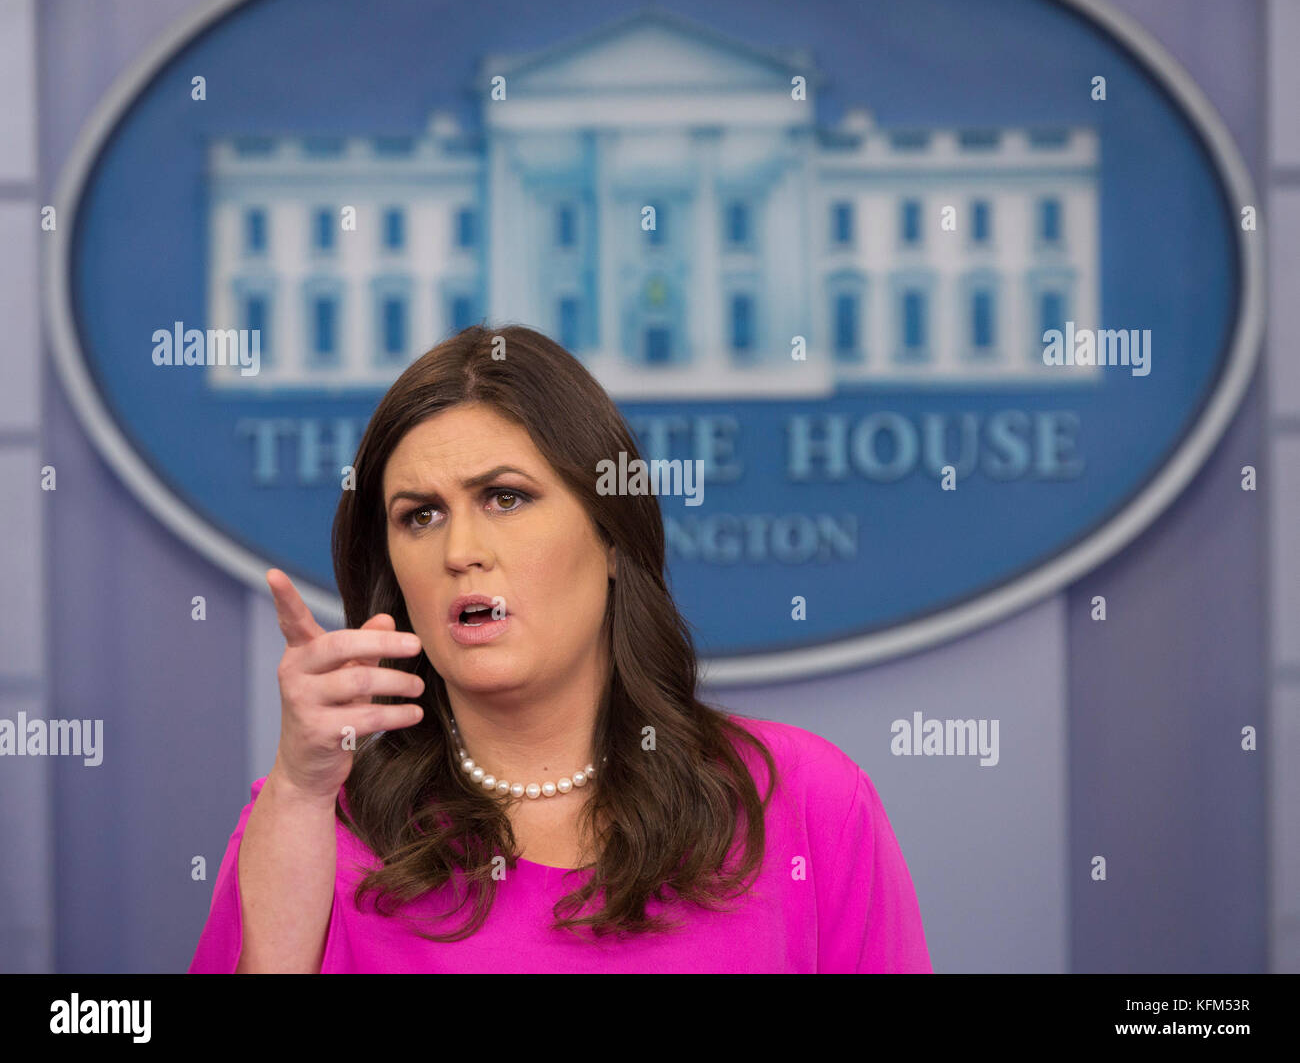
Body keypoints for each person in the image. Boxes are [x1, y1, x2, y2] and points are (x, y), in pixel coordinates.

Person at [188, 324, 932, 973]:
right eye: (421, 516)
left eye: (505, 498)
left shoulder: (802, 804)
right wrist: (300, 793)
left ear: (609, 535)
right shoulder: (312, 822)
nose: (460, 550)